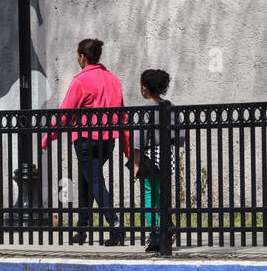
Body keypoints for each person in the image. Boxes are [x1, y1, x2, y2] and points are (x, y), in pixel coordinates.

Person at [41, 38, 131, 246]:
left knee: (96, 182)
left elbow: (65, 113)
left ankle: (116, 225)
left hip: (86, 141)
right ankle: (82, 229)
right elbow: (123, 116)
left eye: (78, 57)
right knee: (87, 181)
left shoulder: (80, 81)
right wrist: (126, 147)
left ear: (82, 57)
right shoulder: (113, 80)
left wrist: (49, 136)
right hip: (108, 142)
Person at [129, 68, 183, 253]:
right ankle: (166, 227)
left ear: (144, 88)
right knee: (162, 193)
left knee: (149, 194)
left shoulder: (144, 110)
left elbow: (138, 141)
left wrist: (136, 164)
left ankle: (155, 233)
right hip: (167, 155)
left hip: (150, 156)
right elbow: (179, 135)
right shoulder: (169, 106)